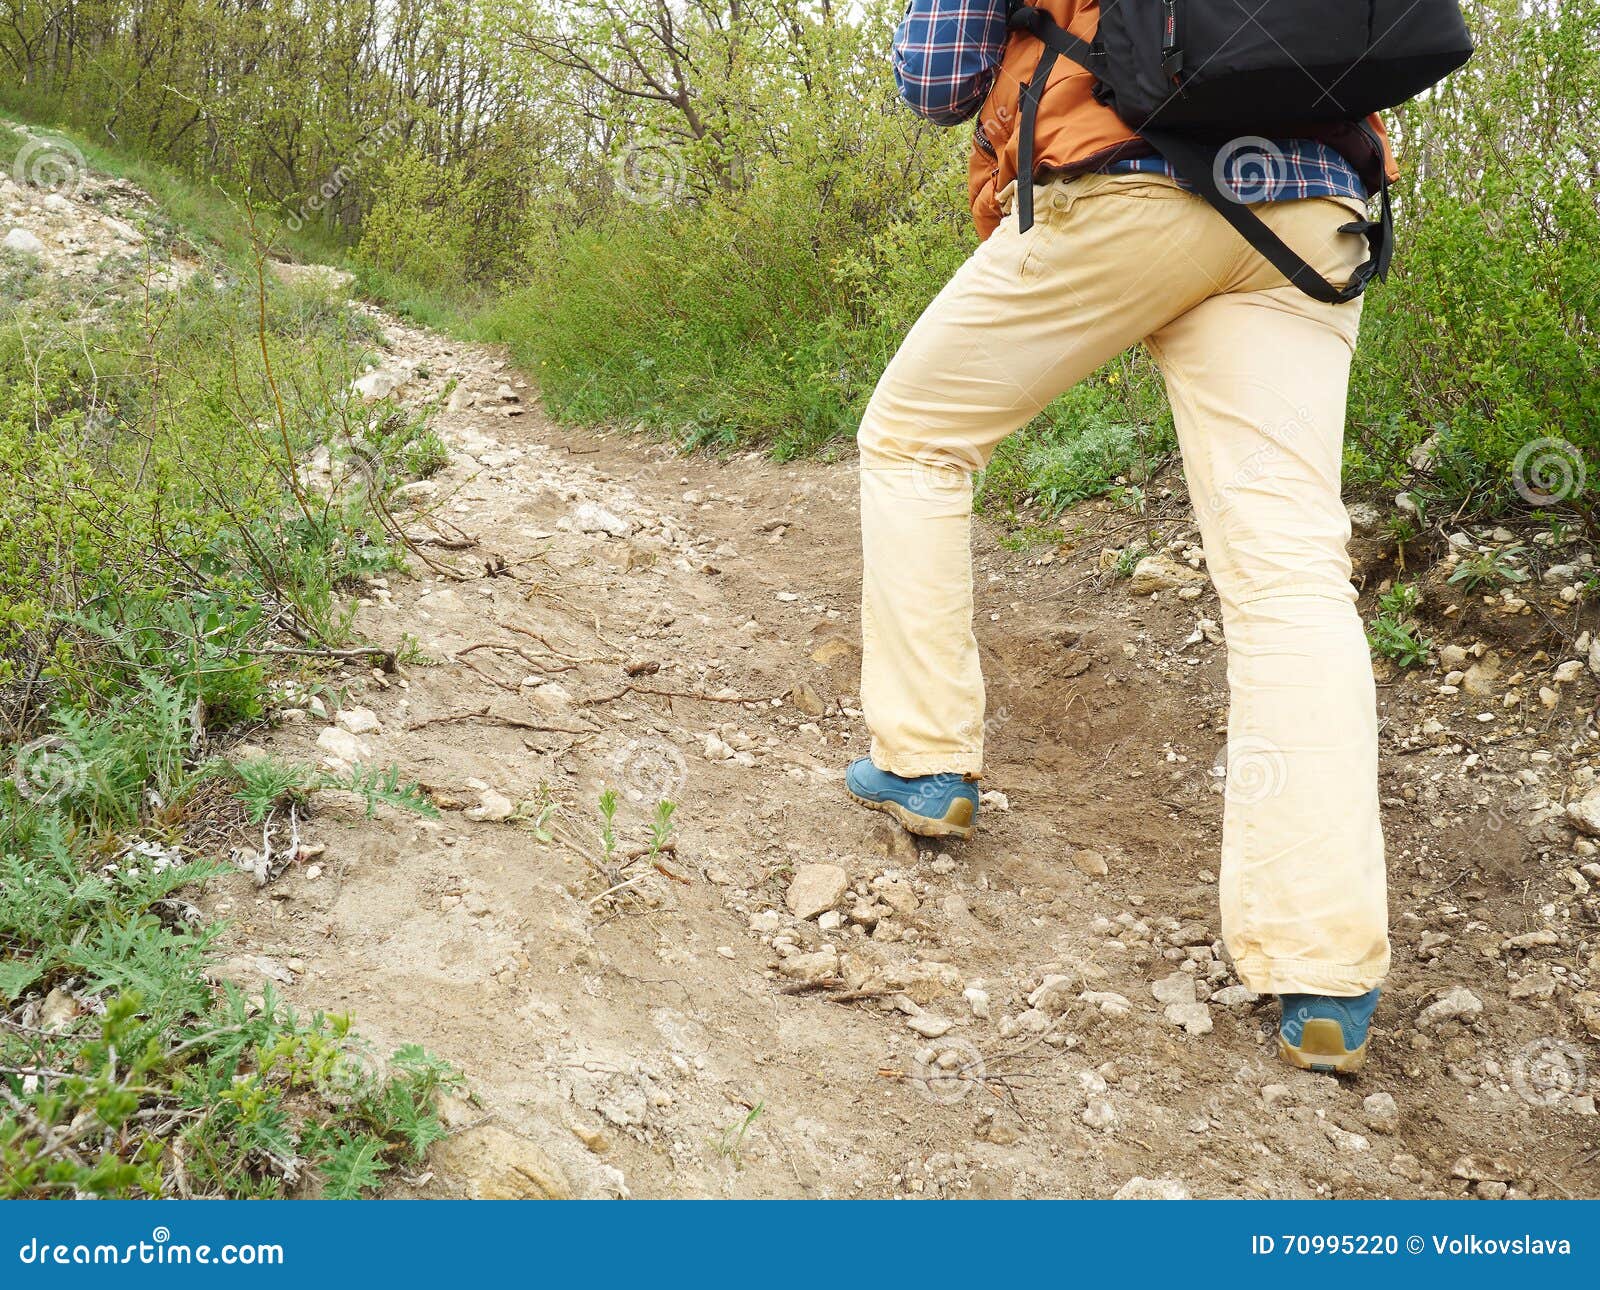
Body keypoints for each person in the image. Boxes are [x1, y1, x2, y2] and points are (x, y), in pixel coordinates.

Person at [844, 0, 1393, 1073]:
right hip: (1308, 214)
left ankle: (923, 763)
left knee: (914, 438)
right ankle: (1322, 970)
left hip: (1130, 184)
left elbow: (934, 80)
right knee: (1289, 574)